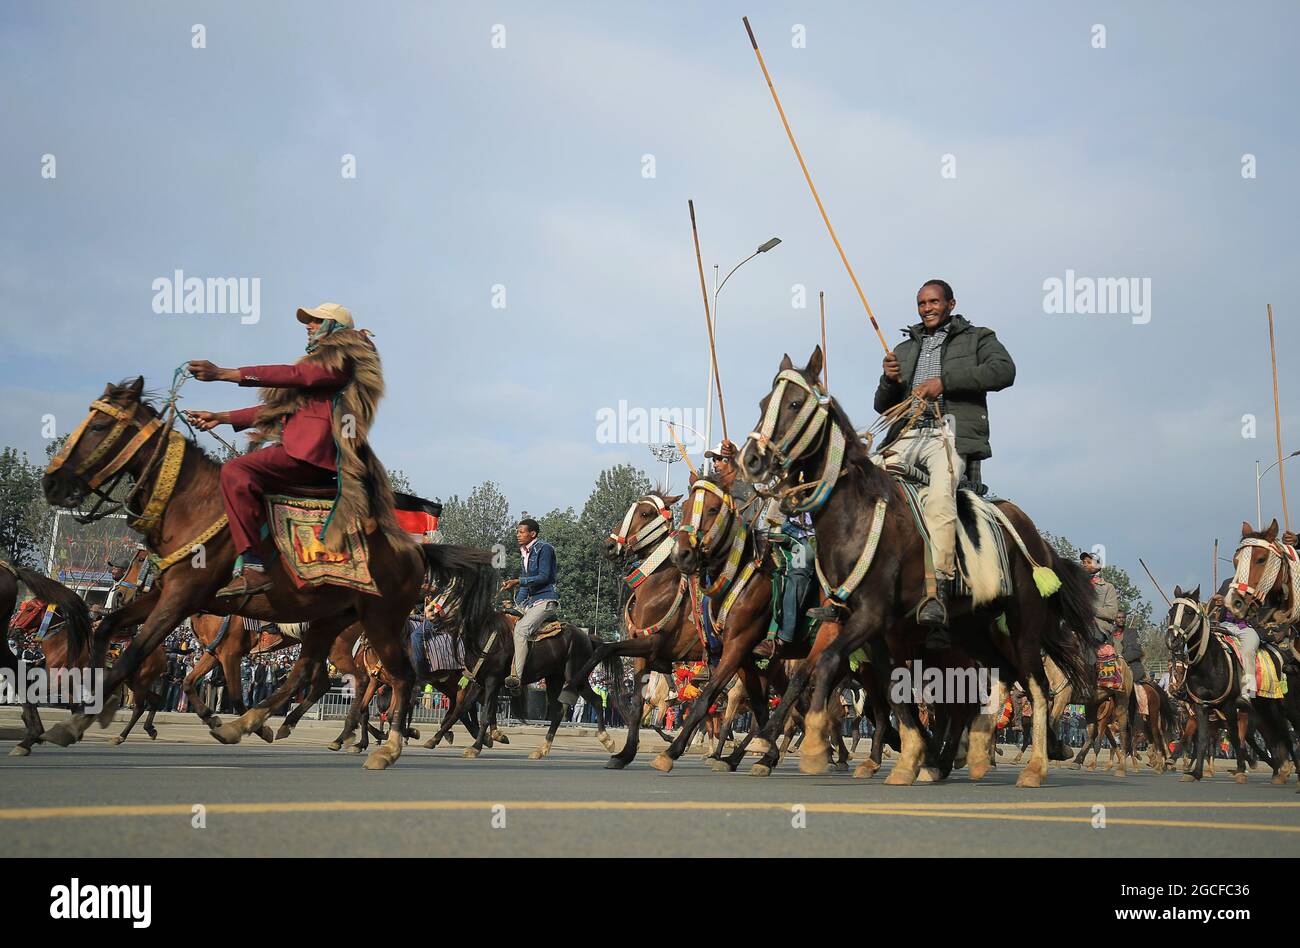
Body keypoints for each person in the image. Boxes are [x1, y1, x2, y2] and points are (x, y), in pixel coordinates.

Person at [185, 302, 396, 599]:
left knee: (235, 471)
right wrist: (221, 417)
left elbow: (296, 375)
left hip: (310, 455)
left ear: (333, 327)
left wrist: (224, 373)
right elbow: (278, 409)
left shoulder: (343, 357)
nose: (308, 326)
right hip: (302, 451)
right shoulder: (321, 369)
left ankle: (254, 566)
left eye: (314, 320)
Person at [874, 279, 1016, 647]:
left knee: (939, 499)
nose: (927, 308)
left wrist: (945, 383)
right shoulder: (904, 349)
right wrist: (890, 382)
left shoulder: (978, 338)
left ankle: (936, 589)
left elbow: (1004, 372)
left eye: (934, 301)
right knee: (858, 486)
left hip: (947, 434)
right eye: (921, 303)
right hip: (905, 434)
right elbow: (882, 405)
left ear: (951, 303)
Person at [501, 518, 558, 695]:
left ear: (532, 534)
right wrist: (516, 606)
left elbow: (544, 577)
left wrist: (518, 581)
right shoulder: (524, 552)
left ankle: (517, 677)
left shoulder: (544, 548)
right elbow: (525, 587)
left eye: (521, 532)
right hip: (529, 602)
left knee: (520, 631)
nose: (518, 535)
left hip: (545, 600)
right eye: (517, 532)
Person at [1080, 552, 1118, 651]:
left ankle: (1090, 666)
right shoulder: (1077, 585)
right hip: (1077, 624)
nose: (1084, 564)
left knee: (1088, 642)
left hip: (1098, 627)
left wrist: (1090, 609)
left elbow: (1112, 613)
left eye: (1089, 562)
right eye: (1083, 562)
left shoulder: (1108, 587)